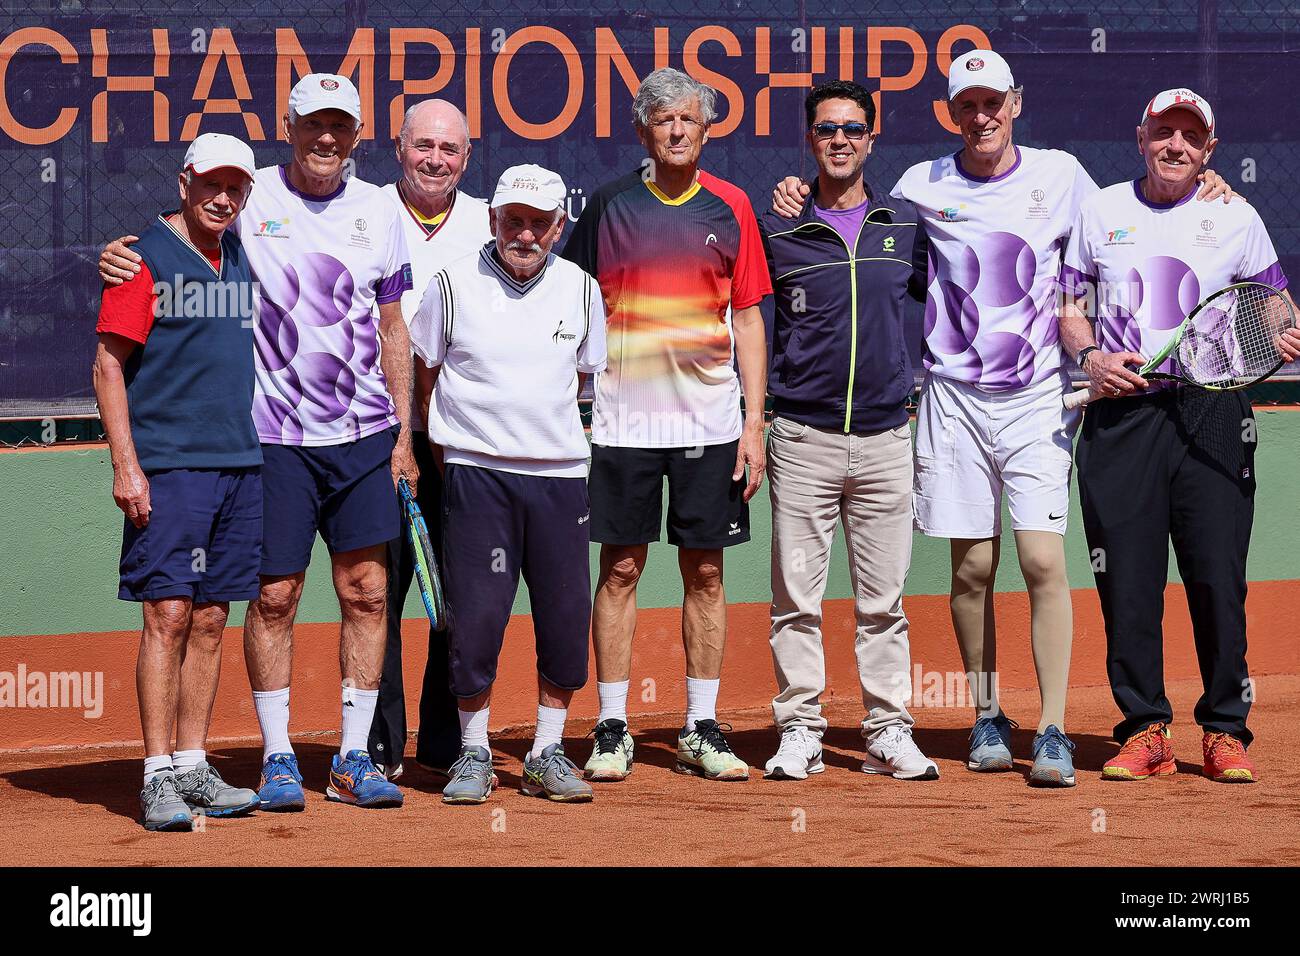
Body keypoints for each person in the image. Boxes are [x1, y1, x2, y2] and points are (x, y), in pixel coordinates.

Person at [771, 50, 1234, 788]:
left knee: (1045, 561)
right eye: (967, 106)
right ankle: (987, 713)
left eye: (994, 103)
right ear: (951, 113)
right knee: (974, 568)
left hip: (1037, 401)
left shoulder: (1063, 176)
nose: (981, 116)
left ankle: (1050, 728)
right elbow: (862, 223)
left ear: (1015, 103)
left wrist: (1202, 185)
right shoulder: (919, 186)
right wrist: (798, 193)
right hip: (952, 401)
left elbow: (1135, 211)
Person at [100, 74, 417, 810]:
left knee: (367, 592)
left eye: (340, 126)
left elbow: (393, 325)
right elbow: (182, 228)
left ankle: (350, 757)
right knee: (271, 597)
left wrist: (401, 432)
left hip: (364, 435)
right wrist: (119, 254)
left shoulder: (380, 209)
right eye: (314, 125)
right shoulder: (251, 197)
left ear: (358, 136)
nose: (327, 139)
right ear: (289, 127)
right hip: (272, 439)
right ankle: (276, 758)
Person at [1059, 88, 1300, 784]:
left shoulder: (1237, 214)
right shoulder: (1100, 210)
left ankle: (1225, 731)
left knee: (1218, 579)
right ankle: (1145, 729)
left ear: (1209, 151)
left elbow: (1276, 303)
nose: (1175, 145)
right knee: (1128, 582)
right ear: (1141, 136)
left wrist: (1281, 334)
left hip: (1215, 414)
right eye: (1163, 131)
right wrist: (1090, 358)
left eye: (1190, 137)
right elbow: (1069, 304)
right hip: (1121, 416)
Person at [562, 67, 772, 782]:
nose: (676, 131)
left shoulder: (733, 206)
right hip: (622, 425)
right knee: (619, 570)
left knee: (706, 573)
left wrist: (754, 423)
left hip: (710, 427)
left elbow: (746, 317)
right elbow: (569, 305)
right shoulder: (608, 205)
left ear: (706, 129)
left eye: (688, 119)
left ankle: (700, 726)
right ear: (642, 130)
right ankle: (613, 724)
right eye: (663, 121)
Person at [408, 165, 607, 804]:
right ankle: (473, 752)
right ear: (493, 220)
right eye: (513, 221)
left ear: (558, 226)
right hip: (476, 477)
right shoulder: (451, 282)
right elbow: (426, 369)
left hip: (559, 480)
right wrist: (456, 452)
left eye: (538, 223)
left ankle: (548, 752)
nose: (525, 234)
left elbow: (585, 379)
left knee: (565, 613)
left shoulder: (581, 289)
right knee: (476, 616)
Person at [758, 80, 937, 782]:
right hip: (801, 438)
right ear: (811, 139)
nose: (840, 140)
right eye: (827, 129)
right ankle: (800, 729)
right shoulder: (778, 226)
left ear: (872, 137)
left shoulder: (908, 225)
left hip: (890, 438)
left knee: (883, 602)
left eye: (853, 129)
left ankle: (888, 731)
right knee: (795, 601)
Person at [93, 133, 262, 830]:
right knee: (166, 616)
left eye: (236, 188)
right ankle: (156, 774)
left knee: (214, 617)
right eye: (211, 185)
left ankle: (193, 767)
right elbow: (107, 367)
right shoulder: (142, 261)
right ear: (185, 181)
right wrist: (125, 465)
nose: (222, 199)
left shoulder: (242, 254)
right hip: (169, 466)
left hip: (240, 465)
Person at [368, 99, 491, 781]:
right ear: (398, 147)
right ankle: (380, 748)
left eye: (449, 149)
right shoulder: (365, 214)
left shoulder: (485, 223)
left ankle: (444, 746)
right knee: (377, 595)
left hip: (462, 440)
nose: (435, 159)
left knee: (459, 596)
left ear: (466, 158)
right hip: (380, 440)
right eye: (424, 146)